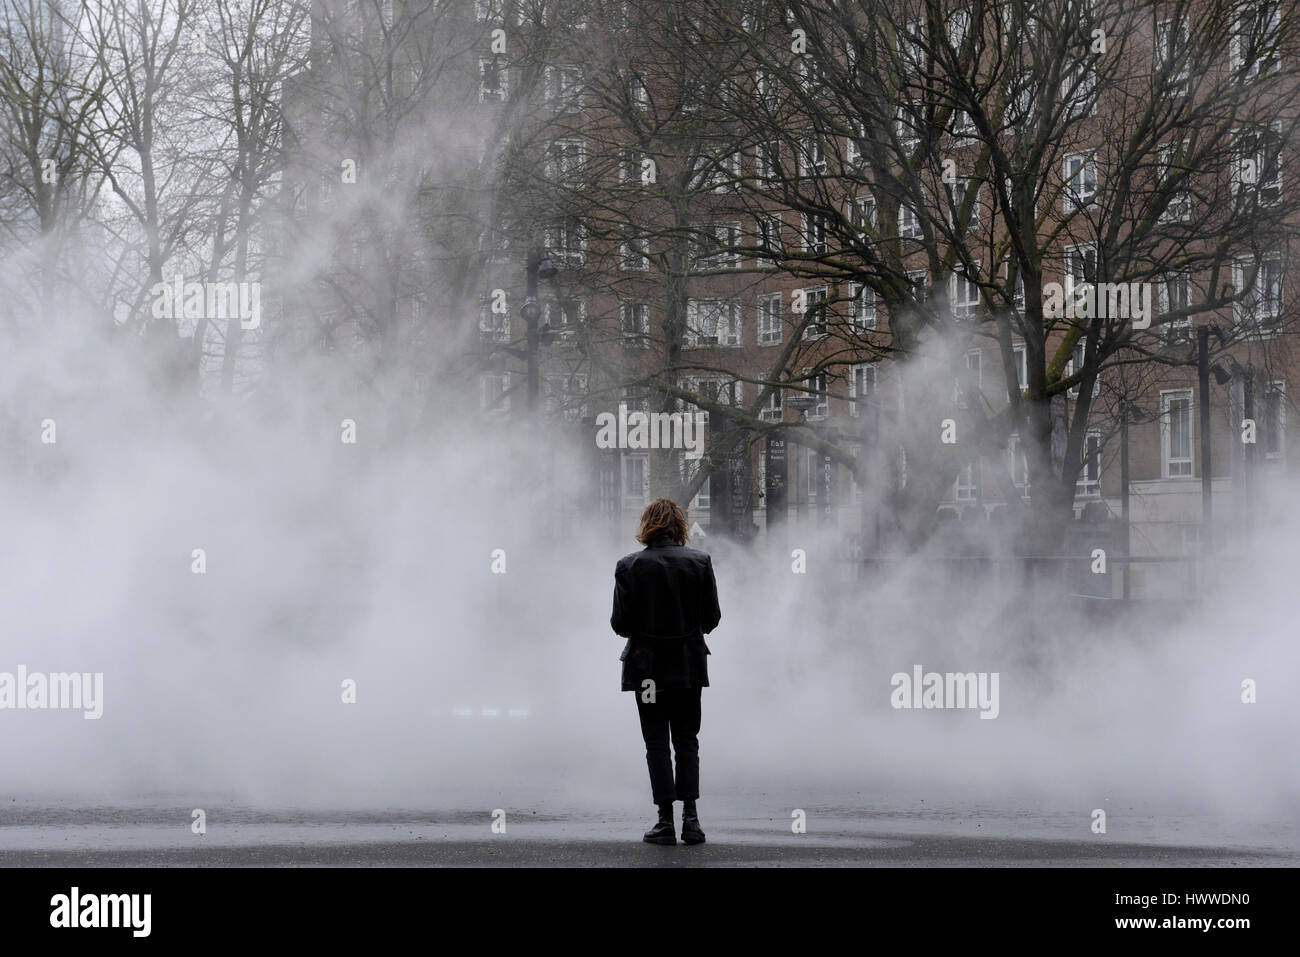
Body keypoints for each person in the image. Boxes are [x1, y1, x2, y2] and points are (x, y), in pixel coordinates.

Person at [610, 498, 721, 846]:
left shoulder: (628, 567)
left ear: (647, 526)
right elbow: (712, 619)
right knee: (687, 739)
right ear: (679, 526)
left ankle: (664, 822)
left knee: (656, 742)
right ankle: (692, 820)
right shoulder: (700, 563)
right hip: (688, 667)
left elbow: (620, 624)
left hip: (647, 671)